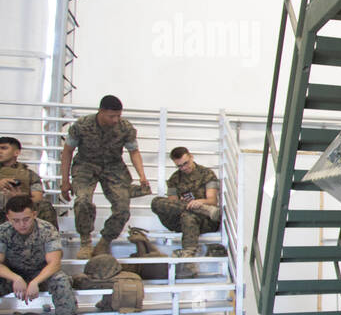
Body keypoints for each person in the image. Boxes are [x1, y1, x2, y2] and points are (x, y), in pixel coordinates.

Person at [59, 95, 151, 259]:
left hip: (113, 166)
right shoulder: (81, 125)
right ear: (101, 111)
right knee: (82, 201)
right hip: (85, 165)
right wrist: (65, 181)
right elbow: (67, 152)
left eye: (118, 115)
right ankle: (86, 241)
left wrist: (142, 175)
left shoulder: (125, 128)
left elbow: (134, 152)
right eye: (111, 116)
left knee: (122, 209)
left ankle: (105, 242)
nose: (116, 120)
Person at [0, 195, 82, 315]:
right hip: (13, 274)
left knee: (61, 279)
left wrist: (35, 281)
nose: (21, 224)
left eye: (26, 219)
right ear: (8, 217)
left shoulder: (47, 229)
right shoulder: (3, 231)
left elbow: (54, 263)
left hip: (41, 273)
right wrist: (15, 278)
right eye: (16, 220)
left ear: (35, 214)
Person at [150, 146, 220, 279]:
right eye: (180, 166)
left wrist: (200, 202)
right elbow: (172, 205)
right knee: (156, 202)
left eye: (185, 163)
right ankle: (198, 209)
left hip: (205, 220)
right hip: (184, 217)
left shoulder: (207, 174)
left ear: (191, 157)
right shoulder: (174, 179)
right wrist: (185, 204)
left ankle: (188, 260)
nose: (184, 168)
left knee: (188, 216)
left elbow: (212, 200)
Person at [0, 136, 59, 226]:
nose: (0, 151)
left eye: (4, 148)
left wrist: (19, 198)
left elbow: (37, 197)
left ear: (17, 152)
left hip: (20, 211)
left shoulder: (30, 175)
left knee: (45, 206)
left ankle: (50, 237)